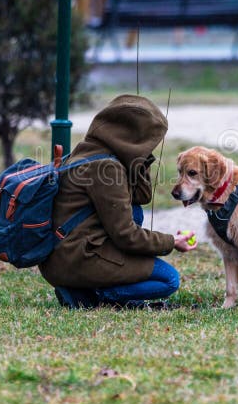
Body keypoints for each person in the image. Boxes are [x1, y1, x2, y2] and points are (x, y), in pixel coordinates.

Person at [39, 95, 197, 309]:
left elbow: (141, 198)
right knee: (168, 279)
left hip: (64, 255)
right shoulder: (106, 168)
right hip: (76, 258)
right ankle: (94, 294)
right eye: (150, 141)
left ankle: (83, 286)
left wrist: (139, 159)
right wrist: (172, 242)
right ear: (135, 136)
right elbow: (126, 236)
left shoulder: (89, 150)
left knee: (135, 211)